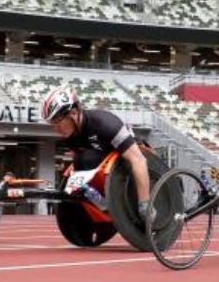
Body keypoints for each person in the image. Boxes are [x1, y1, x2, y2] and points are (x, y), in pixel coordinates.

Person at [40, 86, 153, 223]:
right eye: (52, 124)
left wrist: (144, 204)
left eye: (57, 122)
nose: (55, 129)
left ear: (74, 113)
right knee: (79, 163)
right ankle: (102, 206)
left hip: (127, 155)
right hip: (102, 159)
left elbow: (138, 160)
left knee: (86, 160)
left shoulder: (104, 124)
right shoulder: (70, 135)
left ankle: (140, 203)